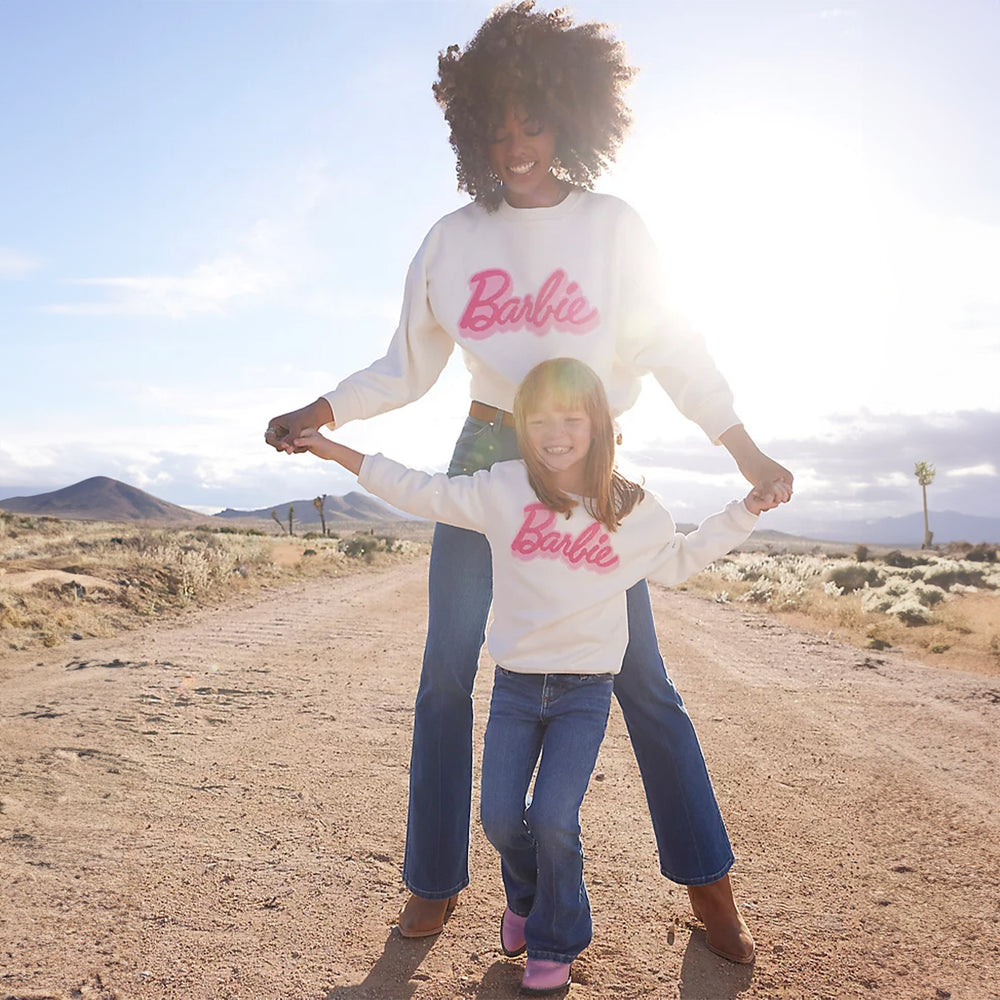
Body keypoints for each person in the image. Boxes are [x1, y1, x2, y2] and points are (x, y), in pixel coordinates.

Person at [265, 1, 792, 965]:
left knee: (643, 681)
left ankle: (711, 891)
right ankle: (433, 886)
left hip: (590, 467)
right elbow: (404, 368)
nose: (514, 144)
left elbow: (675, 348)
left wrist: (743, 451)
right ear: (472, 133)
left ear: (571, 119)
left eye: (533, 122)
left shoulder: (613, 227)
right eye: (495, 128)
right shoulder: (451, 239)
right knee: (443, 680)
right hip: (485, 456)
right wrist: (322, 415)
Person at [292, 358, 790, 993]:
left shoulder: (630, 508)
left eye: (572, 418)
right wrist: (335, 450)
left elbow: (677, 561)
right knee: (500, 818)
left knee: (555, 816)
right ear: (520, 427)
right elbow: (423, 490)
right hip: (518, 690)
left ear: (601, 425)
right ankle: (525, 898)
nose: (556, 432)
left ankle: (557, 938)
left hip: (586, 693)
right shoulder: (503, 489)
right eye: (540, 419)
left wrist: (744, 509)